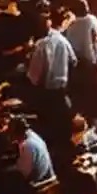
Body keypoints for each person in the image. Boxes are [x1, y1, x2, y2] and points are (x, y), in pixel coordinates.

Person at [26, 10, 77, 163]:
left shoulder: (41, 46)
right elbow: (74, 61)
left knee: (50, 134)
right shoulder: (61, 40)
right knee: (65, 133)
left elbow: (34, 77)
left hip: (47, 97)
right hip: (63, 95)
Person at [63, 0, 97, 105]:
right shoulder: (92, 19)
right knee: (92, 91)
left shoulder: (71, 23)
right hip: (93, 61)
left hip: (79, 62)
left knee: (80, 94)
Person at [8, 117, 54, 184]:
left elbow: (25, 173)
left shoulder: (27, 146)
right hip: (45, 173)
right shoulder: (32, 134)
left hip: (39, 182)